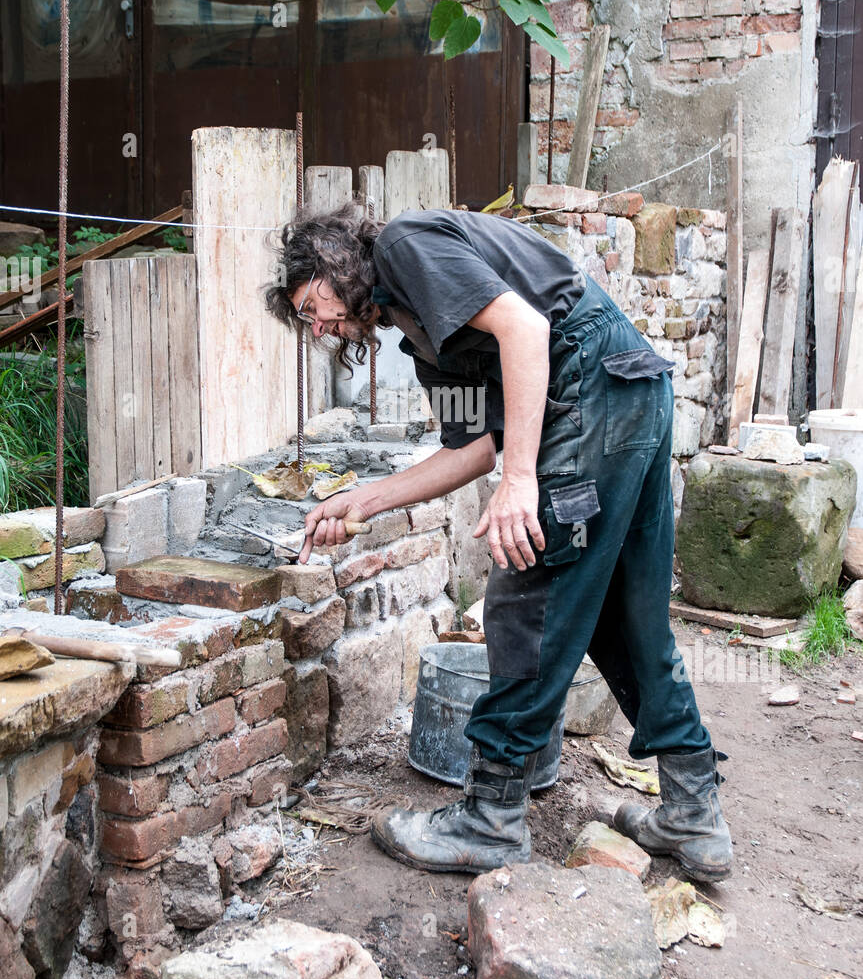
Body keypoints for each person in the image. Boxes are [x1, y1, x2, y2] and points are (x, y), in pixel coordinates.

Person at [265, 199, 732, 883]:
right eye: (307, 322)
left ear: (334, 262)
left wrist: (521, 483)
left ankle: (490, 818)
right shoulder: (424, 344)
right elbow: (472, 450)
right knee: (621, 612)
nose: (320, 324)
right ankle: (692, 809)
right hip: (628, 395)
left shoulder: (403, 245)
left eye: (314, 303)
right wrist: (358, 500)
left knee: (526, 593)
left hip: (593, 387)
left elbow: (522, 327)